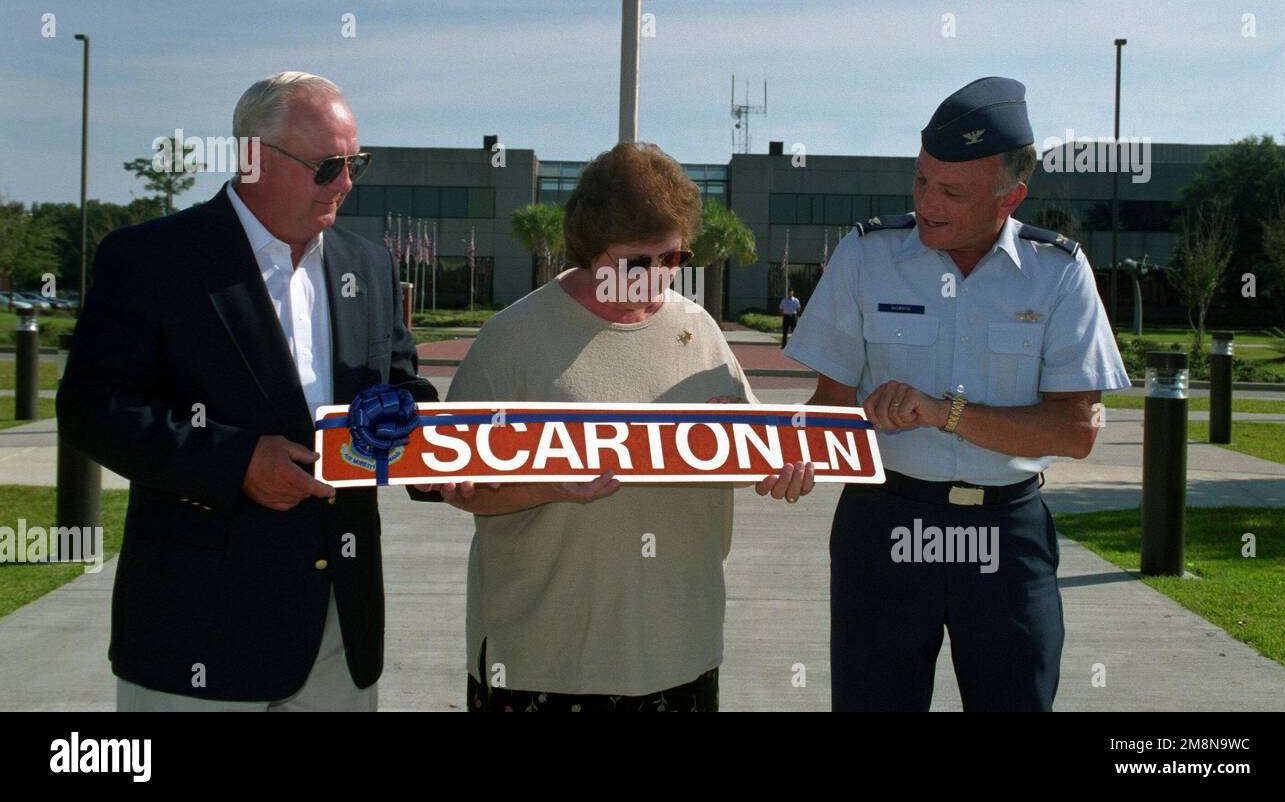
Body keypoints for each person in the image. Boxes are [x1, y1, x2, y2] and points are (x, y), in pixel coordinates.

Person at [57, 72, 441, 710]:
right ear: (253, 158)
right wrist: (234, 461)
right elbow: (93, 409)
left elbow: (399, 385)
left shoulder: (368, 265)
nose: (346, 183)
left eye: (355, 163)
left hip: (339, 633)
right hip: (198, 633)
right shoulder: (153, 259)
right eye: (328, 166)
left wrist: (443, 447)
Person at [785, 77, 1130, 711]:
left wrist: (944, 414)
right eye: (921, 181)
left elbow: (1075, 431)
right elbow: (829, 401)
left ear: (1012, 196)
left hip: (1006, 532)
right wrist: (803, 452)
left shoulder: (1058, 272)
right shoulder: (867, 256)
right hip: (884, 521)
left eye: (950, 191)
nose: (927, 204)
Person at [436, 142, 815, 712]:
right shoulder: (512, 338)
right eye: (640, 261)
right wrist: (554, 484)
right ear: (591, 247)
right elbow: (457, 486)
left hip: (679, 652)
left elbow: (746, 454)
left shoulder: (700, 330)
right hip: (544, 658)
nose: (659, 276)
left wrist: (777, 466)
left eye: (674, 259)